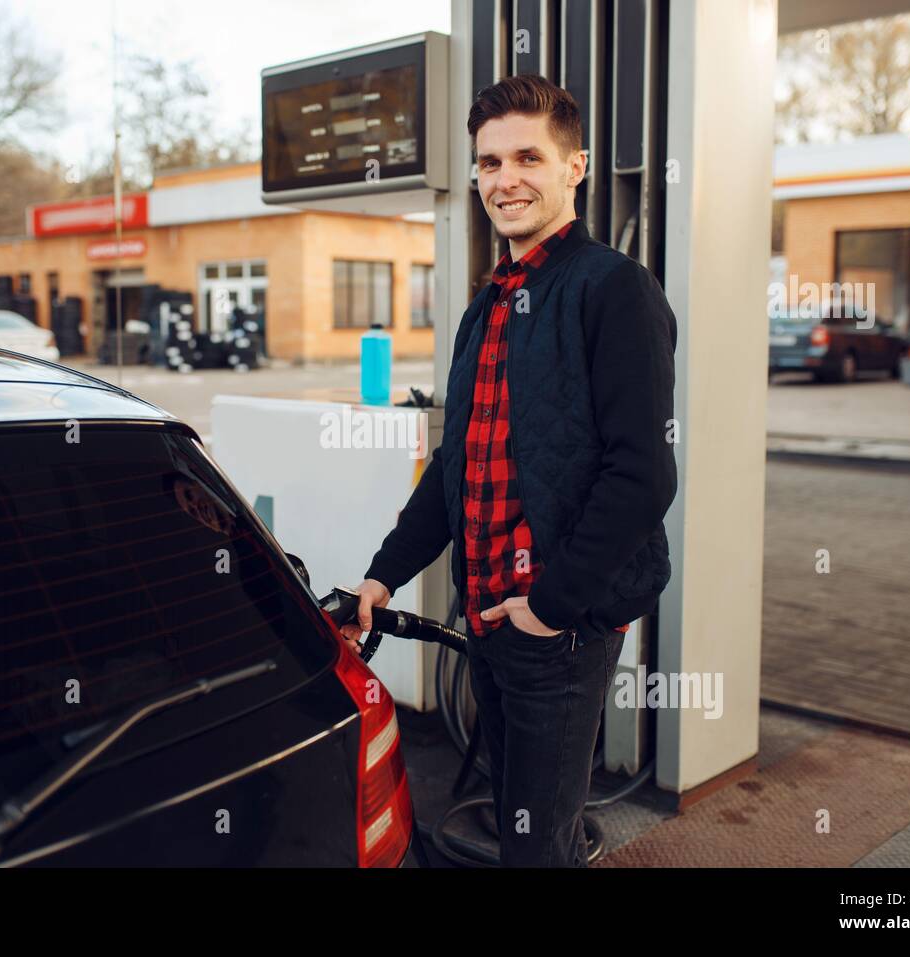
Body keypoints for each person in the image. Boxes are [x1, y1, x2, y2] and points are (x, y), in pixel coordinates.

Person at [339, 74, 678, 867]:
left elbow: (642, 475)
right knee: (518, 822)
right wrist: (382, 576)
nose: (505, 178)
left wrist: (552, 606)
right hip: (488, 614)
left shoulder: (612, 289)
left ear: (575, 167)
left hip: (554, 627)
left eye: (528, 156)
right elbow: (455, 467)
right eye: (489, 163)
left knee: (536, 846)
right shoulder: (487, 306)